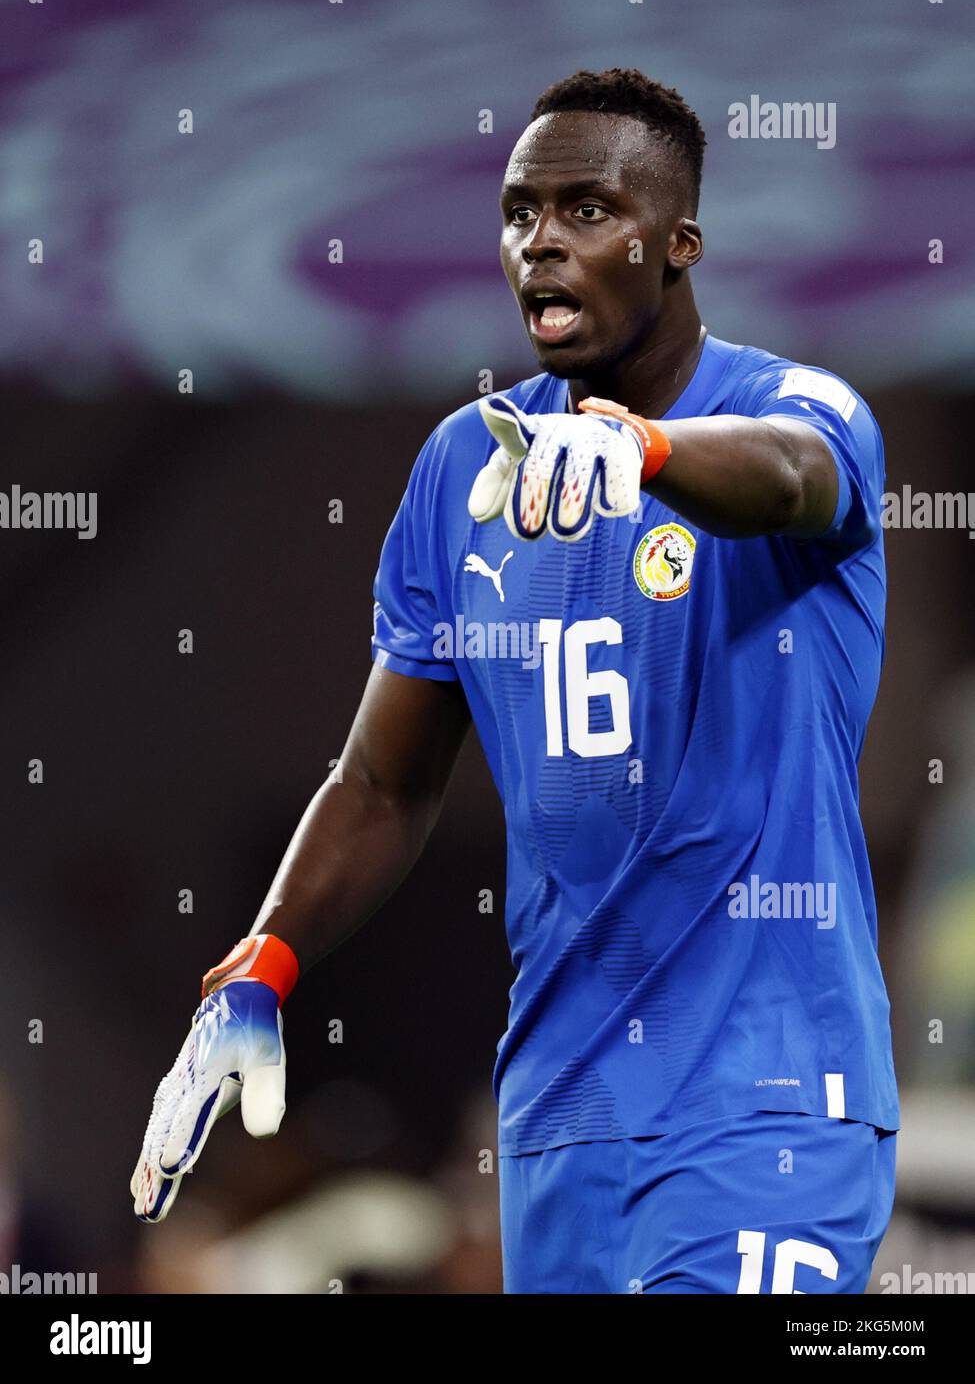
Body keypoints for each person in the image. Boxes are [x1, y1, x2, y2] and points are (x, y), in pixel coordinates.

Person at [132, 68, 898, 1294]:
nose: (542, 241)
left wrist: (638, 448)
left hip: (768, 1108)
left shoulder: (798, 409)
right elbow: (383, 782)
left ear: (680, 242)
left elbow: (793, 476)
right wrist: (264, 960)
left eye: (589, 211)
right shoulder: (460, 475)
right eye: (519, 212)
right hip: (560, 1121)